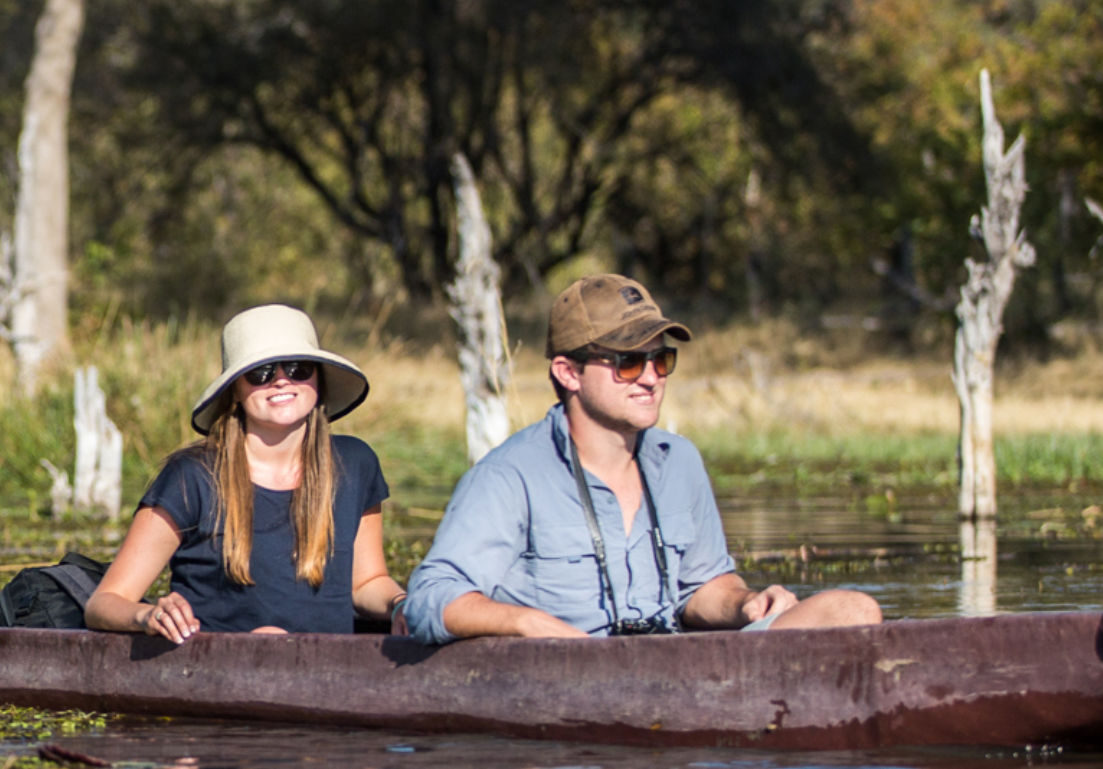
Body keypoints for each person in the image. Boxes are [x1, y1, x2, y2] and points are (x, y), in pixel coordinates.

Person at [405, 274, 882, 642]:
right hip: (568, 676)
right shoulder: (507, 477)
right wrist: (526, 624)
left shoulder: (681, 462)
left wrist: (748, 602)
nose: (651, 378)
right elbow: (428, 598)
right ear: (568, 373)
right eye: (628, 362)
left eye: (661, 360)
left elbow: (700, 588)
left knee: (854, 611)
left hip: (674, 665)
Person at [85, 305, 406, 641]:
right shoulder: (191, 477)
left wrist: (402, 604)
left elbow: (366, 582)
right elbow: (105, 603)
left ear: (318, 380)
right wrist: (148, 615)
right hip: (216, 674)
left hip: (327, 678)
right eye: (261, 372)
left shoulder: (356, 463)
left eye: (299, 368)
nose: (282, 379)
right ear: (235, 390)